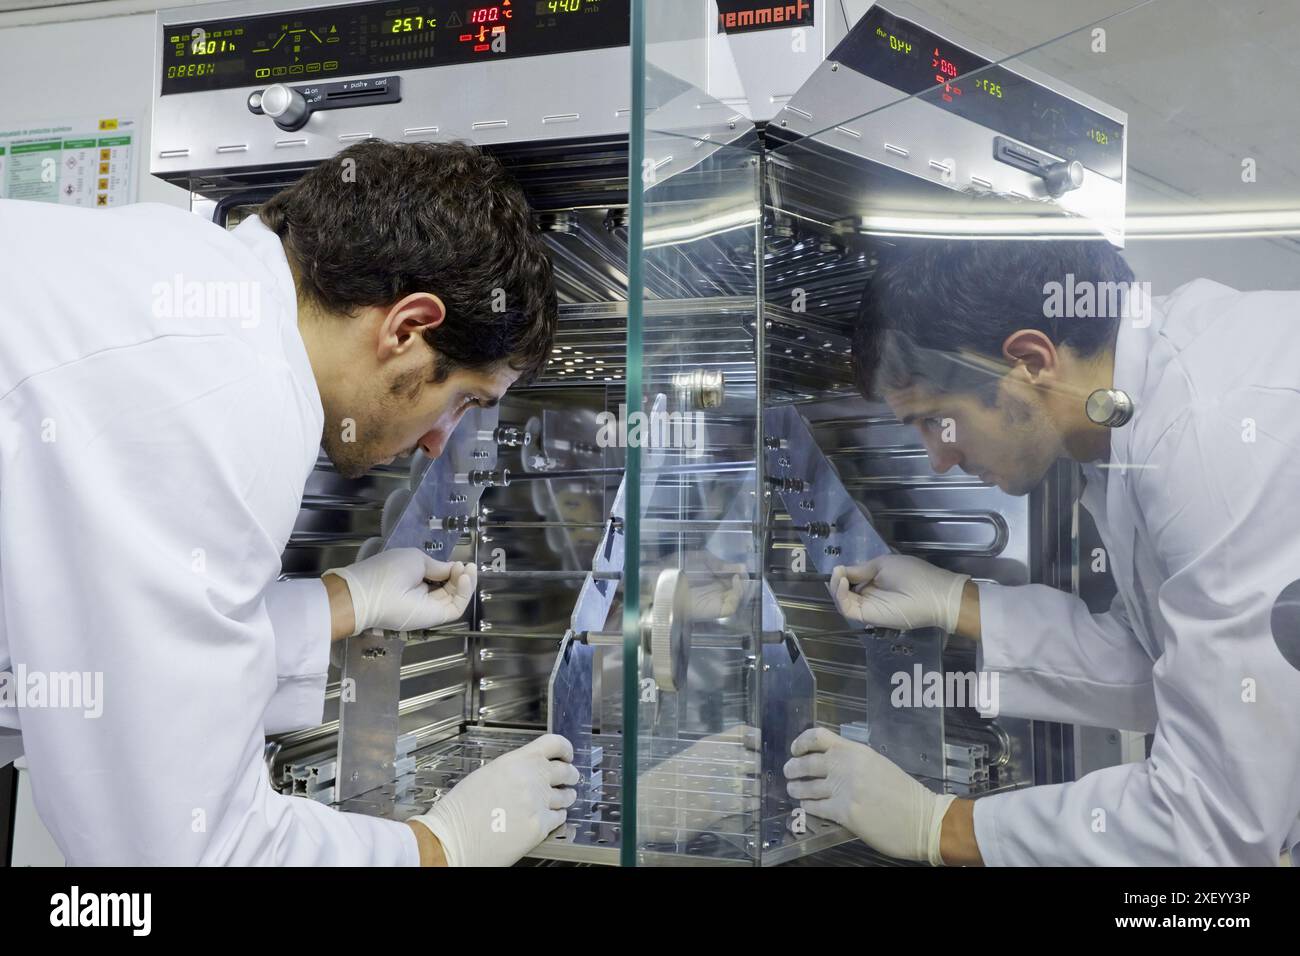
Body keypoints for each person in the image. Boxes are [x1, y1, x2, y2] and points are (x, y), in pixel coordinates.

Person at [0, 139, 579, 866]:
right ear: (405, 328)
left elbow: (72, 659)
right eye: (461, 399)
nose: (441, 442)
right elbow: (178, 852)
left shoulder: (189, 283)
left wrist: (342, 601)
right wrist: (444, 846)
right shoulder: (224, 398)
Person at [784, 231, 1300, 865]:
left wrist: (939, 826)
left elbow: (1211, 826)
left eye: (935, 420)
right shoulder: (1132, 417)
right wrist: (957, 602)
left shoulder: (1211, 431)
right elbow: (1160, 668)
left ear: (1030, 360)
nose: (939, 459)